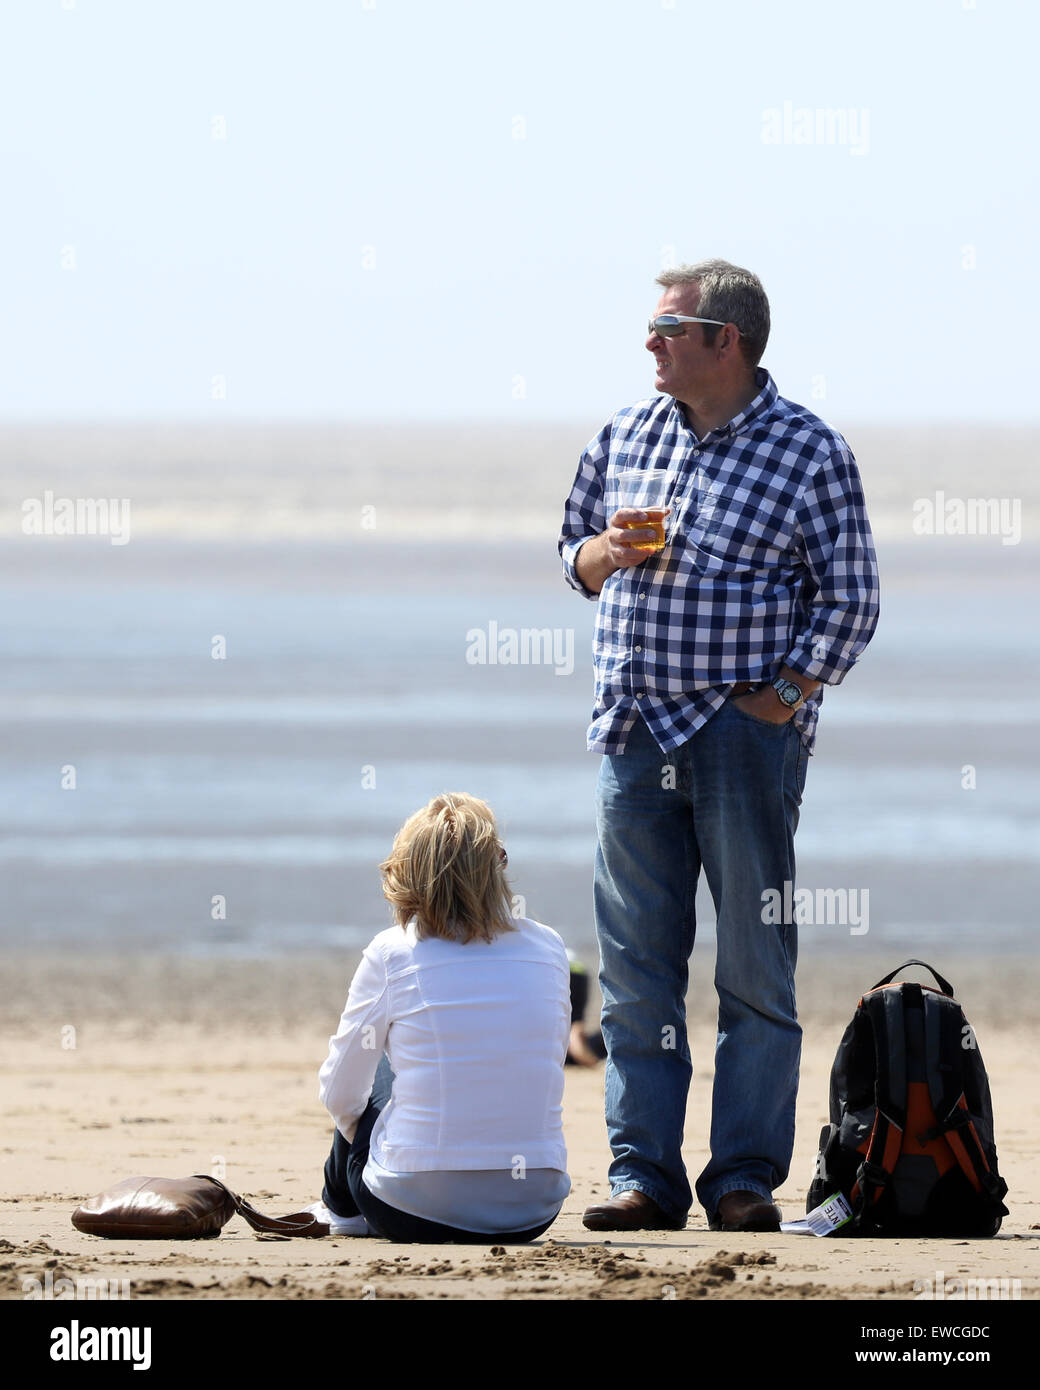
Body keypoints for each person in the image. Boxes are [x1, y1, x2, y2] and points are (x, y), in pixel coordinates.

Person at [558, 259, 879, 1233]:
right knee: (634, 973)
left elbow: (850, 597)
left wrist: (779, 698)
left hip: (741, 742)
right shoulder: (625, 432)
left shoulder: (806, 450)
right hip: (631, 734)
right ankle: (640, 1178)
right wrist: (607, 552)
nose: (648, 344)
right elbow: (570, 555)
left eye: (666, 329)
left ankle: (741, 1178)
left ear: (723, 341)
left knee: (752, 967)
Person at [308, 792, 571, 1242]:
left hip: (410, 1208)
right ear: (496, 868)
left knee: (381, 1065)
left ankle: (341, 1208)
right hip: (532, 1207)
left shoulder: (392, 951)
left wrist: (369, 1139)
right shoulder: (550, 947)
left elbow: (339, 1092)